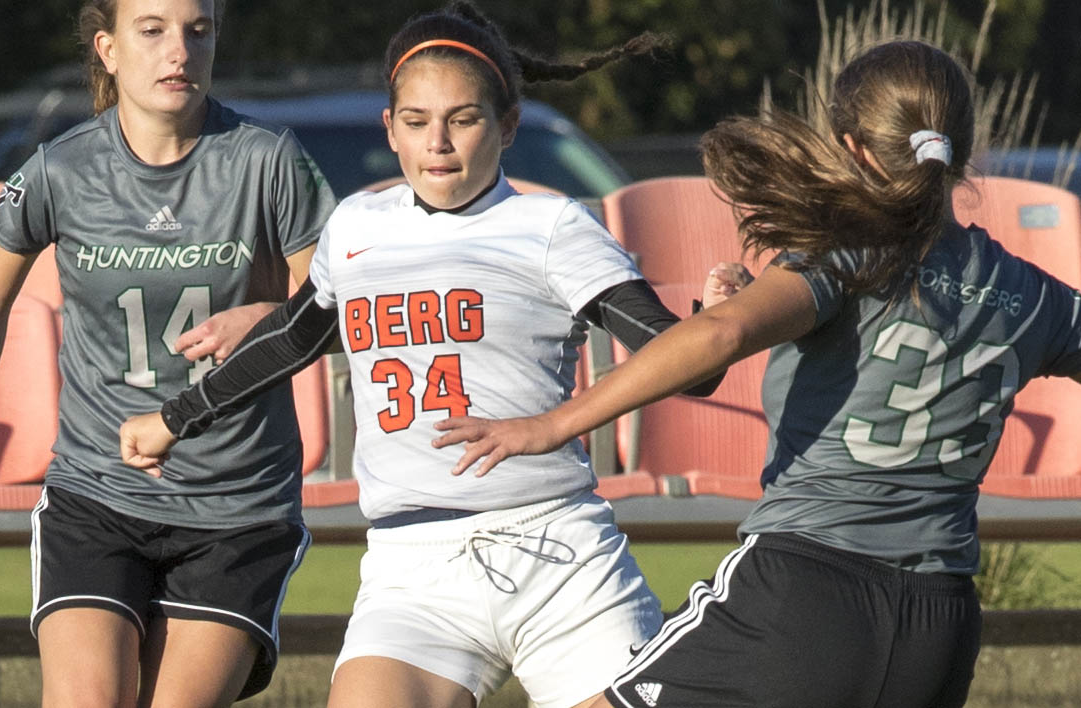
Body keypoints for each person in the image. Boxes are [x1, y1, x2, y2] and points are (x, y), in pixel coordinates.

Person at [118, 3, 747, 706]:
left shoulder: (551, 227)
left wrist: (715, 321)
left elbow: (689, 363)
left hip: (560, 559)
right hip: (411, 570)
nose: (438, 142)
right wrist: (175, 416)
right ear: (390, 129)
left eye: (464, 119)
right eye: (416, 121)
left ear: (507, 126)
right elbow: (296, 336)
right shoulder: (357, 226)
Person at [432, 39, 1081, 708]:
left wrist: (552, 424)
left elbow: (723, 332)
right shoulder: (1034, 296)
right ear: (964, 148)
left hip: (807, 593)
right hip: (940, 621)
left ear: (853, 148)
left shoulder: (846, 258)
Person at [0, 0, 336, 705]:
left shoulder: (270, 161)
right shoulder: (60, 169)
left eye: (197, 32)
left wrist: (265, 316)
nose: (179, 50)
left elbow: (333, 307)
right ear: (110, 50)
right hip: (97, 494)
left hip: (237, 505)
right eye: (153, 30)